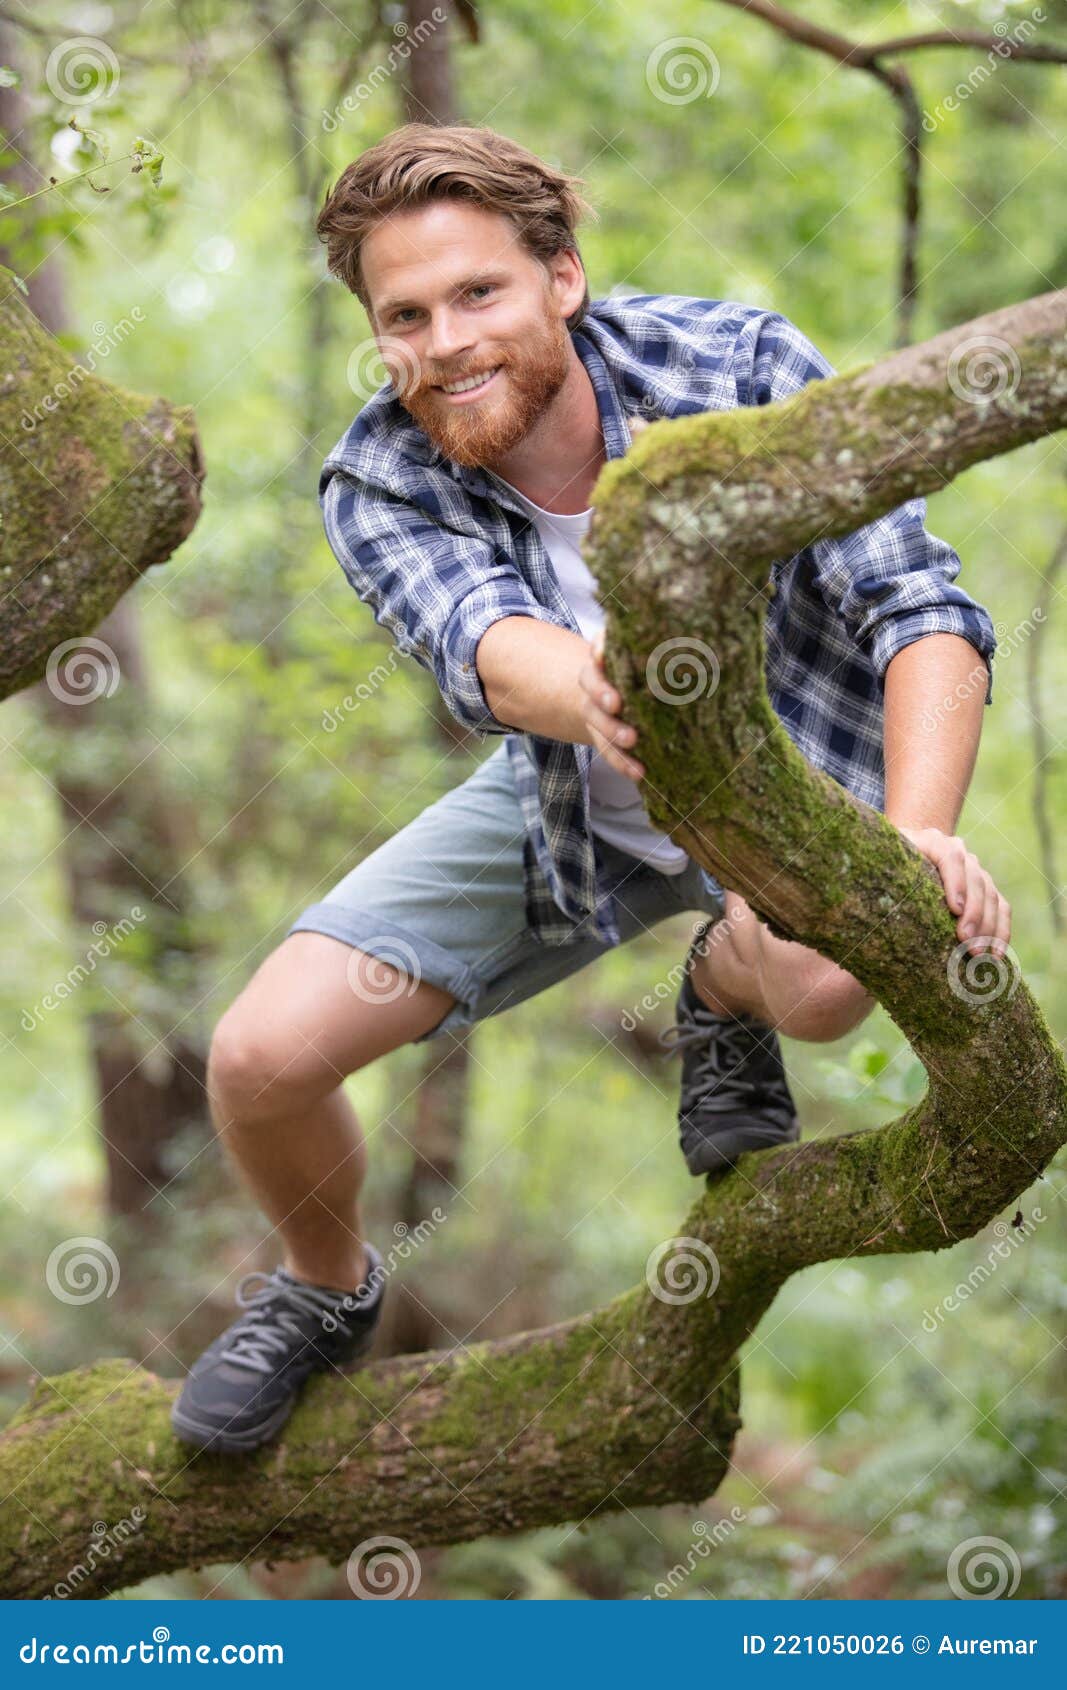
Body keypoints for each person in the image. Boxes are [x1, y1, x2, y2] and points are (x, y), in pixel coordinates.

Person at [171, 123, 1010, 1455]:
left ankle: (719, 987)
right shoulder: (380, 471)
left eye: (479, 292)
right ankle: (328, 1291)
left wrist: (911, 840)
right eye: (406, 314)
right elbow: (493, 653)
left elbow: (921, 610)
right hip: (566, 804)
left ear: (562, 276)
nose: (445, 340)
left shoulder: (738, 367)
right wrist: (623, 693)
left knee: (822, 980)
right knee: (258, 1058)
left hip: (794, 789)